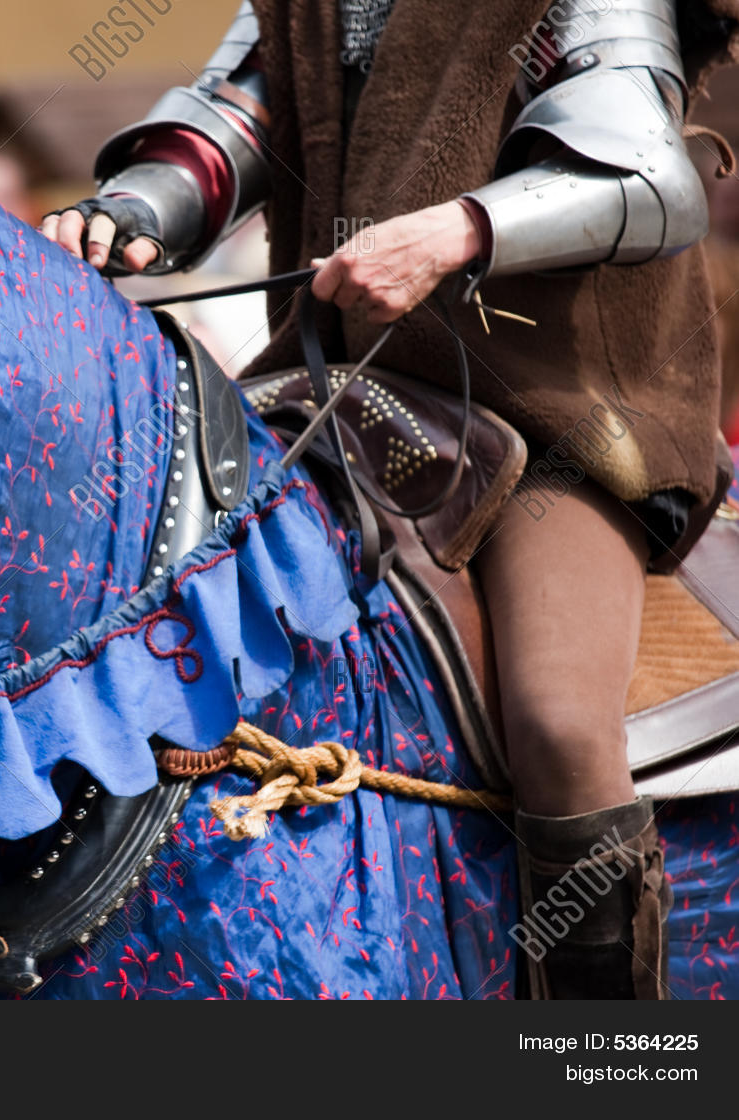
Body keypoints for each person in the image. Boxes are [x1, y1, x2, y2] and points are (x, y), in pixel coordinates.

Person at [43, 0, 739, 999]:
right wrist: (134, 212)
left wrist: (460, 229)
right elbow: (233, 125)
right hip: (345, 396)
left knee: (559, 728)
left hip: (565, 417)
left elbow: (647, 175)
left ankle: (612, 1063)